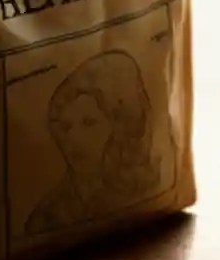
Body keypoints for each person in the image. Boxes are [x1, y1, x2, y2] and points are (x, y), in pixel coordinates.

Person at [25, 50, 174, 235]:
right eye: (65, 127)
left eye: (89, 123)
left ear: (120, 125)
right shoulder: (49, 214)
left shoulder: (145, 180)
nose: (74, 140)